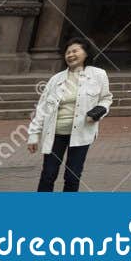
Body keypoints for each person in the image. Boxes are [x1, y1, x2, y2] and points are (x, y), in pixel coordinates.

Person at [28, 39, 112, 192]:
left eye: (75, 51)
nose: (70, 55)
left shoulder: (98, 75)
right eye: (68, 52)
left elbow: (106, 98)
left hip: (81, 133)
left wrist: (99, 110)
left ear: (86, 53)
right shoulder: (56, 79)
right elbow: (42, 107)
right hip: (55, 133)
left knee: (73, 176)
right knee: (48, 174)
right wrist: (33, 134)